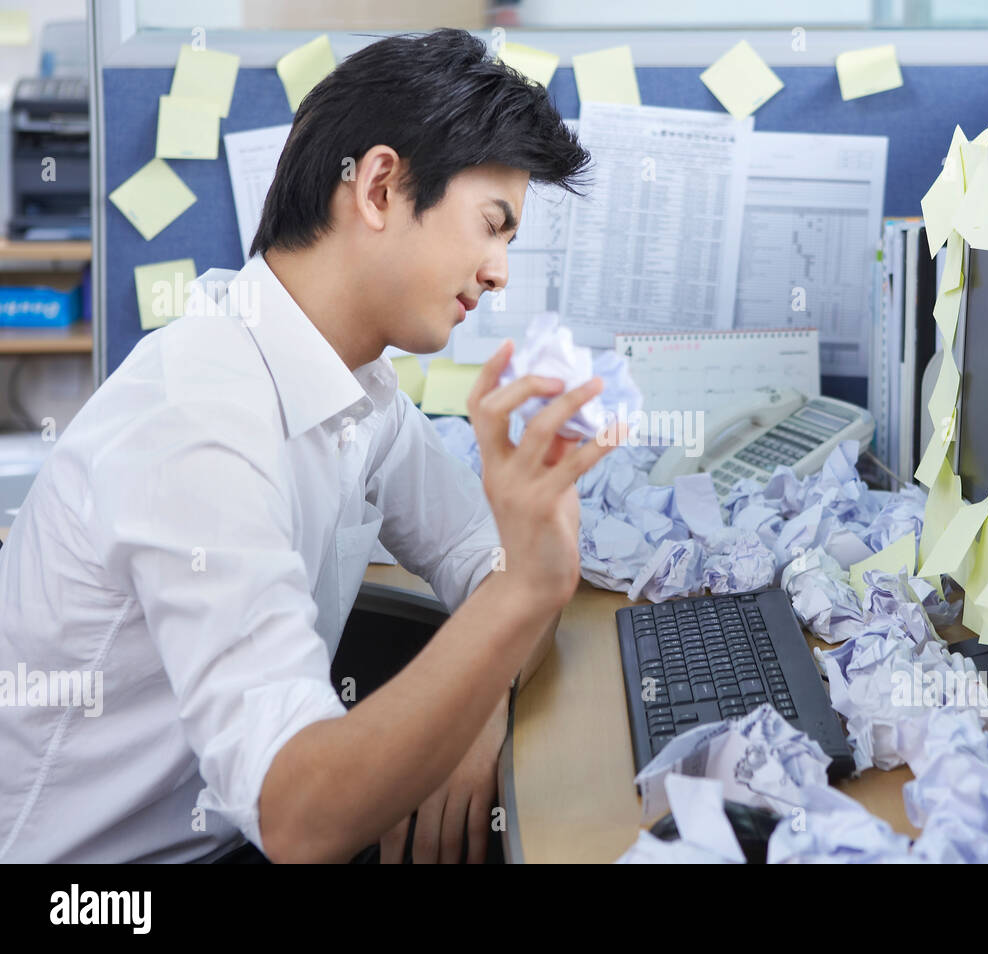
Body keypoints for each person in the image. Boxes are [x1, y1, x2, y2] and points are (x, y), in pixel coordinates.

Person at [0, 29, 614, 863]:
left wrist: (483, 705)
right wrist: (518, 604)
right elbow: (301, 821)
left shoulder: (359, 390)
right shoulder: (198, 416)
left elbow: (485, 564)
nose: (500, 270)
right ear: (380, 187)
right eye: (493, 225)